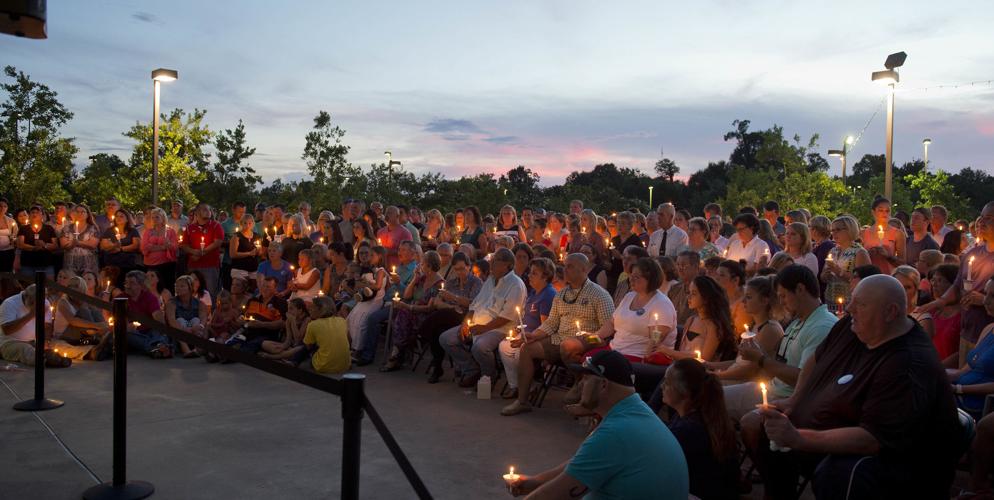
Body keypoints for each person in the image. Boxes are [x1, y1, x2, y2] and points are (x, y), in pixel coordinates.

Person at [747, 275, 959, 499]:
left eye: (860, 304)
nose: (849, 308)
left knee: (836, 473)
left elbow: (872, 440)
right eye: (851, 301)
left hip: (890, 465)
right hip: (822, 429)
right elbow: (816, 360)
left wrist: (798, 437)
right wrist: (795, 400)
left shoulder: (907, 364)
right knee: (757, 425)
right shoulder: (854, 327)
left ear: (891, 312)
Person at [505, 350, 689, 499]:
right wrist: (536, 481)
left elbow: (551, 495)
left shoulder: (616, 432)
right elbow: (584, 463)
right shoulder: (634, 412)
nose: (579, 385)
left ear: (602, 385)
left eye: (585, 379)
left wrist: (536, 490)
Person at [501, 253, 615, 416]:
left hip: (589, 339)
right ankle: (522, 401)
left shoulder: (599, 294)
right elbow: (551, 322)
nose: (565, 270)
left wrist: (589, 338)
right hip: (559, 339)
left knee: (568, 345)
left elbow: (607, 329)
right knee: (527, 348)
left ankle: (579, 382)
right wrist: (535, 334)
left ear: (584, 269)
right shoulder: (561, 294)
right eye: (565, 265)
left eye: (570, 266)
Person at [919, 201, 994, 366]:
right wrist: (937, 303)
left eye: (988, 218)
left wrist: (982, 300)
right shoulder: (971, 255)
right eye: (981, 217)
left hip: (989, 336)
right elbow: (957, 286)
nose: (981, 222)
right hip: (967, 332)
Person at [440, 248, 526, 387]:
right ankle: (472, 370)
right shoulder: (490, 280)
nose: (491, 265)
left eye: (496, 262)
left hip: (500, 328)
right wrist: (465, 323)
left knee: (480, 347)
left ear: (507, 265)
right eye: (492, 261)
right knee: (446, 338)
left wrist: (484, 328)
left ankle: (488, 376)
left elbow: (507, 316)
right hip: (477, 324)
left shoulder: (516, 285)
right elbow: (475, 304)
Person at [662, 358, 740, 500]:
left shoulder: (687, 430)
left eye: (667, 383)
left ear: (684, 392)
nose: (662, 386)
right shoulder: (707, 416)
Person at [711, 275, 784, 411]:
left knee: (699, 387)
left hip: (751, 384)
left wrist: (715, 375)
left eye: (749, 297)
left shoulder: (770, 329)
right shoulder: (754, 326)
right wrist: (709, 364)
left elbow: (749, 371)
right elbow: (738, 362)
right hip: (737, 377)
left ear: (764, 300)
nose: (743, 301)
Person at [421, 251, 483, 383]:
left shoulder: (476, 282)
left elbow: (473, 303)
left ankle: (423, 333)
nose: (460, 272)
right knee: (437, 330)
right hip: (450, 315)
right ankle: (438, 367)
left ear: (469, 266)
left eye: (462, 268)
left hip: (467, 317)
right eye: (456, 269)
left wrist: (453, 298)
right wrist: (451, 307)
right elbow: (438, 302)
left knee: (437, 321)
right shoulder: (451, 282)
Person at [380, 250, 443, 371]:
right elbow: (407, 296)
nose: (419, 266)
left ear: (429, 266)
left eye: (422, 264)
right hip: (412, 312)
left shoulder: (438, 284)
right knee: (401, 314)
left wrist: (409, 307)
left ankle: (396, 355)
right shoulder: (422, 278)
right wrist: (415, 278)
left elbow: (429, 308)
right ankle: (398, 354)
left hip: (426, 317)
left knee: (403, 314)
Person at [0, 284, 58, 366]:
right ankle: (46, 361)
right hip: (10, 343)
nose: (35, 305)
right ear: (26, 295)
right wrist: (31, 314)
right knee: (25, 349)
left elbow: (47, 325)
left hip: (33, 342)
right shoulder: (9, 304)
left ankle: (78, 355)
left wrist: (46, 340)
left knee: (57, 345)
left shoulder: (45, 303)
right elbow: (7, 330)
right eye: (33, 302)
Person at [821, 215, 871, 305]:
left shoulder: (859, 252)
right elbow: (823, 277)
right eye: (833, 230)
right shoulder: (833, 251)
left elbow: (863, 282)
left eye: (838, 230)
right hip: (830, 299)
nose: (834, 233)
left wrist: (838, 271)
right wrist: (825, 275)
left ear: (850, 230)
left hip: (850, 301)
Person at [121, 270, 173, 358]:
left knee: (158, 332)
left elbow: (159, 321)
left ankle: (155, 348)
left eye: (132, 283)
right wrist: (127, 326)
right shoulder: (121, 298)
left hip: (150, 330)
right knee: (125, 335)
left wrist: (159, 317)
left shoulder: (150, 298)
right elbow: (120, 323)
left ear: (141, 285)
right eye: (126, 283)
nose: (128, 286)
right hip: (134, 333)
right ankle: (157, 347)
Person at [180, 203, 224, 297]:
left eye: (209, 209)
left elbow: (218, 242)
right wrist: (193, 252)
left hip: (210, 265)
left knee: (211, 292)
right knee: (192, 291)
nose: (208, 211)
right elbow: (184, 245)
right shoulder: (189, 228)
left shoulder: (216, 225)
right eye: (204, 209)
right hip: (193, 265)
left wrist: (201, 253)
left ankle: (211, 311)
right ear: (197, 212)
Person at [167, 275, 209, 358]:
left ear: (190, 288)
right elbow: (171, 321)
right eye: (176, 286)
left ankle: (198, 348)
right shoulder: (171, 303)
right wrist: (185, 330)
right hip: (179, 334)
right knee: (179, 321)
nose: (178, 288)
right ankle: (186, 350)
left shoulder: (199, 303)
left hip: (195, 332)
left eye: (182, 286)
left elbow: (203, 318)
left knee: (196, 320)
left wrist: (199, 326)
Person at [928, 264, 962, 363]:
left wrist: (939, 369)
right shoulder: (932, 311)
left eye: (940, 280)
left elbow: (962, 352)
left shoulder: (963, 316)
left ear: (953, 285)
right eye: (933, 280)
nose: (934, 284)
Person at [140, 207, 178, 294]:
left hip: (166, 264)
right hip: (150, 264)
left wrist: (153, 247)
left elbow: (175, 246)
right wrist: (163, 247)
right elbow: (144, 247)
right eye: (152, 217)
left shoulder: (170, 231)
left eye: (157, 217)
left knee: (167, 287)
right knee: (151, 288)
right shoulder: (148, 232)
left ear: (163, 218)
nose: (154, 219)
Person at [17, 205, 58, 277]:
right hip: (28, 263)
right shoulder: (24, 229)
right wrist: (34, 248)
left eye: (37, 212)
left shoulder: (49, 228)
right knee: (29, 286)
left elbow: (55, 245)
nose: (35, 214)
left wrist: (44, 245)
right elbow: (20, 244)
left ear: (42, 215)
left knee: (49, 286)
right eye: (32, 212)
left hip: (46, 263)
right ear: (29, 215)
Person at [715, 260, 752, 335]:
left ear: (735, 280)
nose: (716, 278)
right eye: (717, 274)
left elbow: (737, 332)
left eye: (722, 275)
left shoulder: (745, 303)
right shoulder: (721, 296)